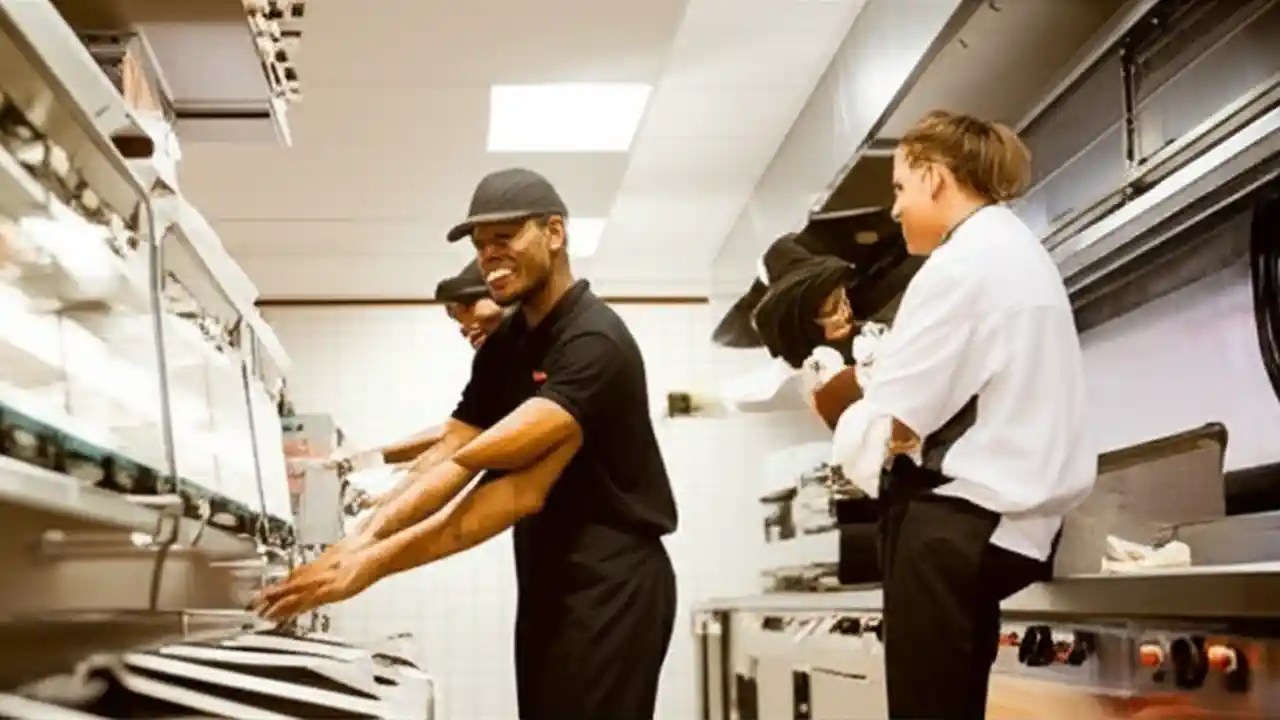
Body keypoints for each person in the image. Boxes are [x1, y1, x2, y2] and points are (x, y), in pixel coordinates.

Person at [256, 167, 679, 720]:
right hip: (549, 571)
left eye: (504, 239)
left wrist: (369, 562)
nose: (489, 256)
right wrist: (353, 543)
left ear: (554, 233)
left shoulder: (594, 342)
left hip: (613, 578)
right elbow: (452, 445)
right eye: (481, 246)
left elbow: (507, 489)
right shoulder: (510, 343)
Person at [826, 110, 1094, 718]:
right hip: (1005, 525)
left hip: (956, 527)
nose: (894, 210)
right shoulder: (1012, 249)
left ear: (934, 177)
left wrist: (842, 410)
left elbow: (897, 423)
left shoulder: (961, 264)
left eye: (899, 187)